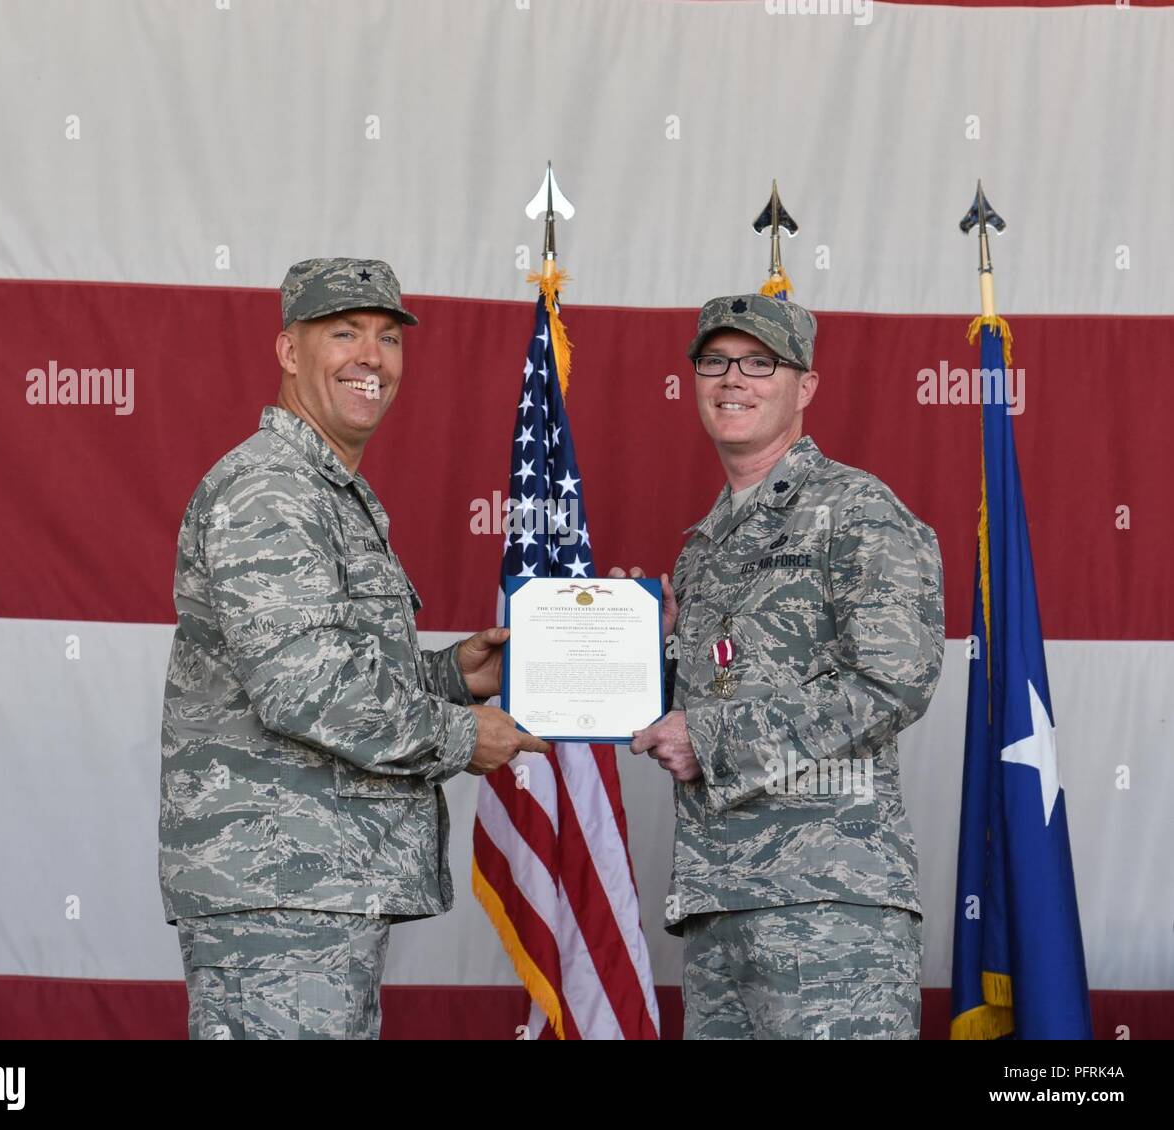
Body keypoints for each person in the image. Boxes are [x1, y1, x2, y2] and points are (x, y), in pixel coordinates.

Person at [158, 256, 546, 1039]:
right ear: (288, 352)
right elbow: (302, 687)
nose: (372, 357)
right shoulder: (270, 487)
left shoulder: (321, 487)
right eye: (344, 333)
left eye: (387, 338)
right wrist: (460, 736)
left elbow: (317, 661)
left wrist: (449, 677)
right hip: (279, 893)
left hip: (315, 890)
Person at [613, 293, 944, 1039]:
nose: (734, 380)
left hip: (828, 910)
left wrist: (714, 740)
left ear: (805, 385)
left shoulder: (858, 510)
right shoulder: (704, 545)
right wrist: (647, 654)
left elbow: (894, 680)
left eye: (760, 363)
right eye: (714, 362)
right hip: (719, 904)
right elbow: (731, 685)